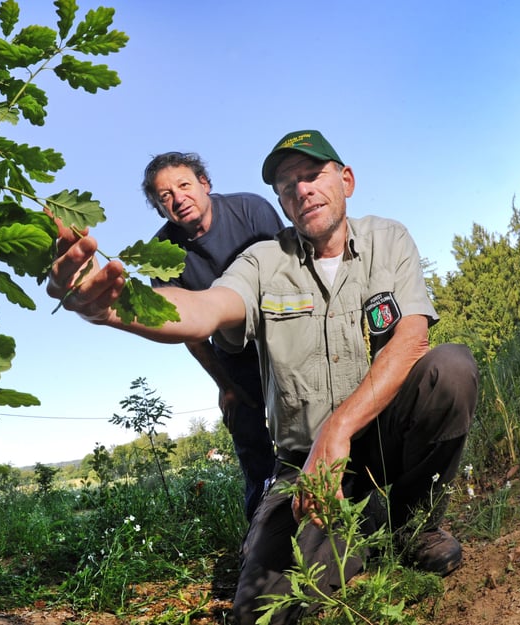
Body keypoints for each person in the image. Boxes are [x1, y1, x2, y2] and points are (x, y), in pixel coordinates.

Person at [46, 130, 479, 624]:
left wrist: (338, 429)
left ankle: (414, 523)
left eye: (313, 175)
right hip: (303, 461)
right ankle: (352, 531)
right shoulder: (261, 261)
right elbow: (206, 310)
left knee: (450, 369)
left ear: (346, 180)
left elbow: (411, 340)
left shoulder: (389, 238)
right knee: (259, 611)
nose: (302, 190)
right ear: (281, 201)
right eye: (287, 184)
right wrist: (115, 308)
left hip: (382, 437)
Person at [141, 151, 284, 521]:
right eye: (164, 196)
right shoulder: (160, 255)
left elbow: (291, 275)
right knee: (247, 429)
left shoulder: (252, 211)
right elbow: (188, 332)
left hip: (282, 332)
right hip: (232, 353)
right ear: (160, 209)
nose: (177, 197)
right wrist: (226, 386)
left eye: (184, 185)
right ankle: (261, 521)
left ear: (205, 184)